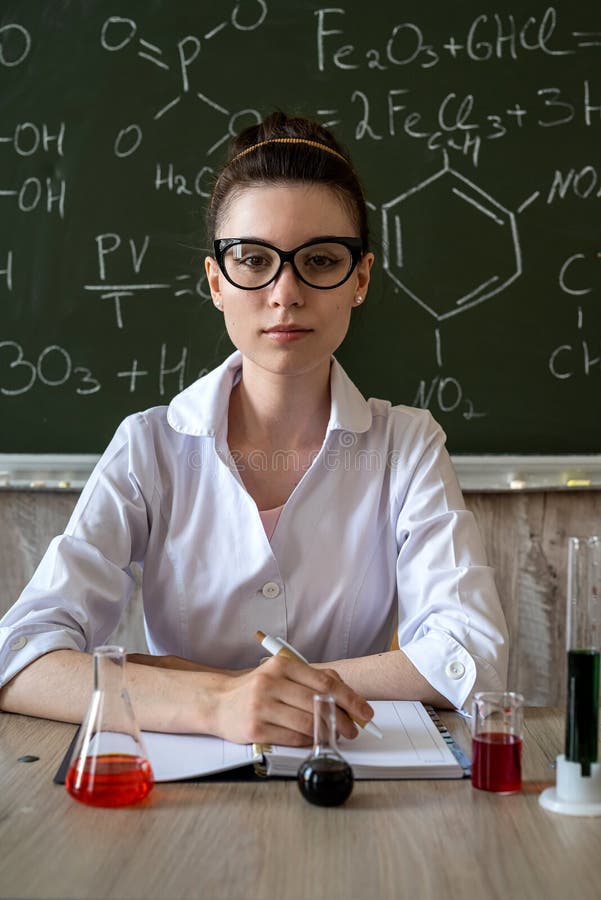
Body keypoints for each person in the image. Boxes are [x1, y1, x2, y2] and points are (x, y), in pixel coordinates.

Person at [0, 112, 508, 746]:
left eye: (320, 259)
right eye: (253, 259)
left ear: (360, 278)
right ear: (217, 282)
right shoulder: (149, 447)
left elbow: (472, 655)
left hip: (352, 778)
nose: (285, 292)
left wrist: (240, 687)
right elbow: (20, 655)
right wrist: (217, 703)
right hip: (184, 788)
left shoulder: (407, 445)